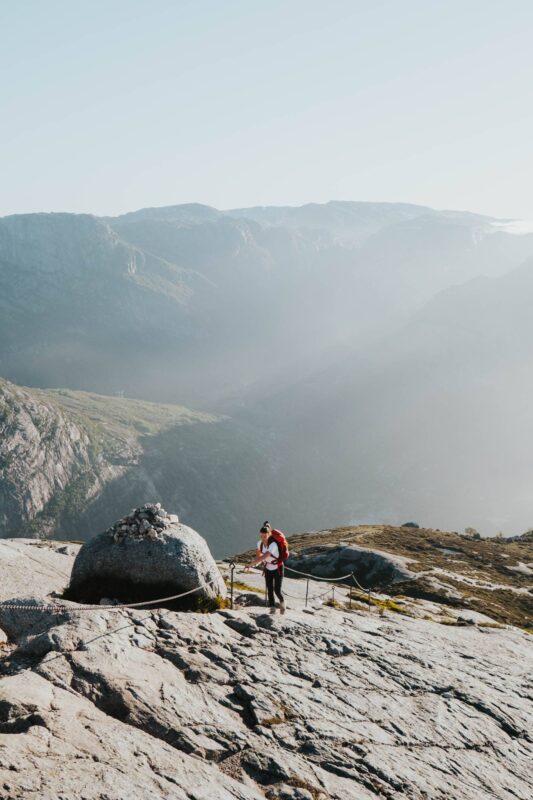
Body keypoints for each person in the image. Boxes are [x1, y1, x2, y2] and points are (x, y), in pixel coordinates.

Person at [248, 521, 286, 614]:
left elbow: (264, 556)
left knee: (277, 590)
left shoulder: (273, 544)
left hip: (278, 568)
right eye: (261, 536)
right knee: (269, 589)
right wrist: (256, 563)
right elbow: (259, 555)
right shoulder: (259, 543)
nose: (263, 538)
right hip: (268, 568)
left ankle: (282, 602)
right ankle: (272, 608)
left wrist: (250, 564)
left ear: (269, 535)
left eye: (265, 536)